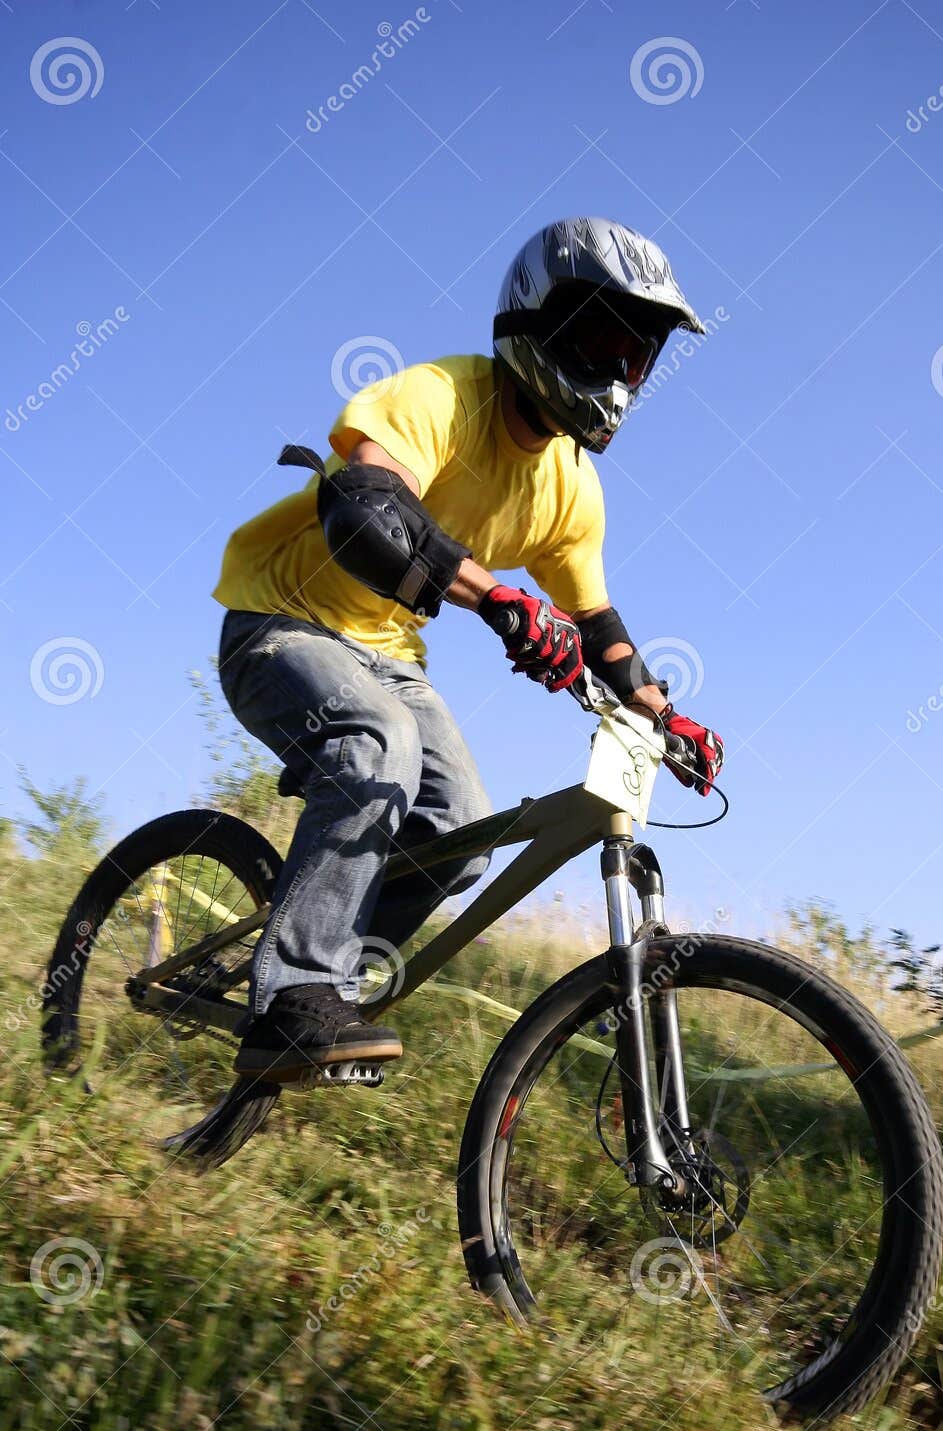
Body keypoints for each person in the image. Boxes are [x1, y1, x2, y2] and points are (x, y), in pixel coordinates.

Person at [213, 216, 724, 1083]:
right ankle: (295, 993)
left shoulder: (572, 489)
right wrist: (497, 598)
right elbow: (366, 514)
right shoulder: (442, 397)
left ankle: (330, 987)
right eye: (598, 341)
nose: (615, 372)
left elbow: (597, 628)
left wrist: (665, 717)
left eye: (635, 357)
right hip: (280, 623)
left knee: (460, 833)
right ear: (537, 322)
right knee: (375, 744)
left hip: (390, 654)